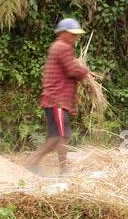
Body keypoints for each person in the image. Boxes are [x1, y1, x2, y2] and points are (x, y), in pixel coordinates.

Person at [28, 17, 91, 175]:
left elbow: (68, 75)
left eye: (76, 34)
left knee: (57, 135)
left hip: (56, 100)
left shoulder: (58, 46)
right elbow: (72, 71)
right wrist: (85, 72)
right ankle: (58, 168)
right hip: (56, 100)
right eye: (72, 34)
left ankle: (39, 163)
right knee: (61, 135)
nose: (75, 37)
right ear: (62, 33)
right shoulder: (63, 47)